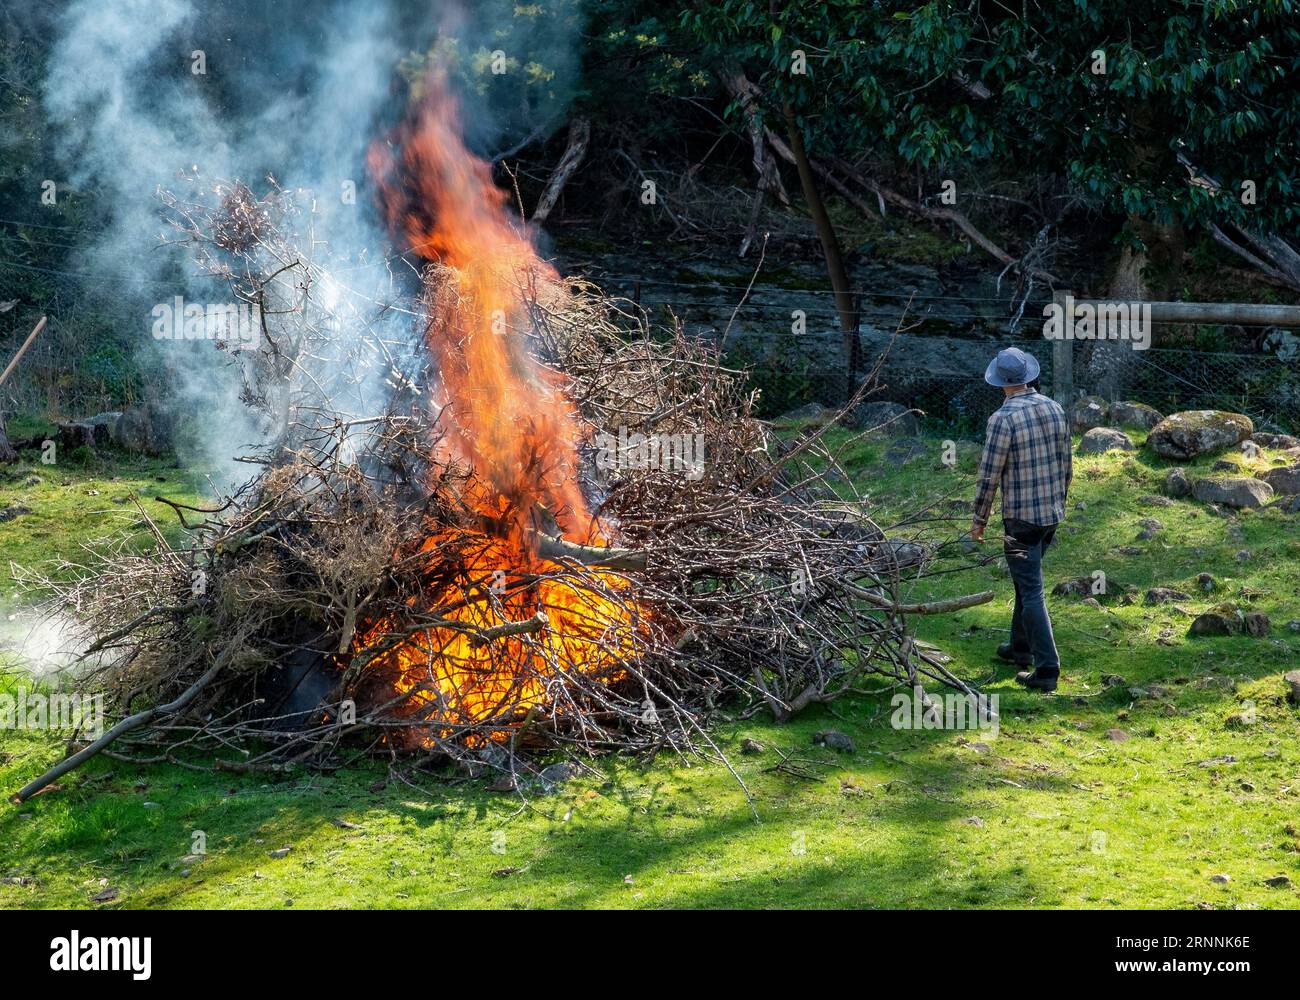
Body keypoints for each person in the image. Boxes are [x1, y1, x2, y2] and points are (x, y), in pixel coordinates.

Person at [969, 347, 1072, 693]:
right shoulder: (1055, 408)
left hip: (1021, 520)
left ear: (1001, 383)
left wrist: (978, 519)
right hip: (1050, 515)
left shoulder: (1002, 419)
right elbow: (1066, 464)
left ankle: (1047, 669)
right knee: (1024, 582)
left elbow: (989, 475)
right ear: (1028, 376)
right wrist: (1060, 502)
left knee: (1031, 591)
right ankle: (1020, 648)